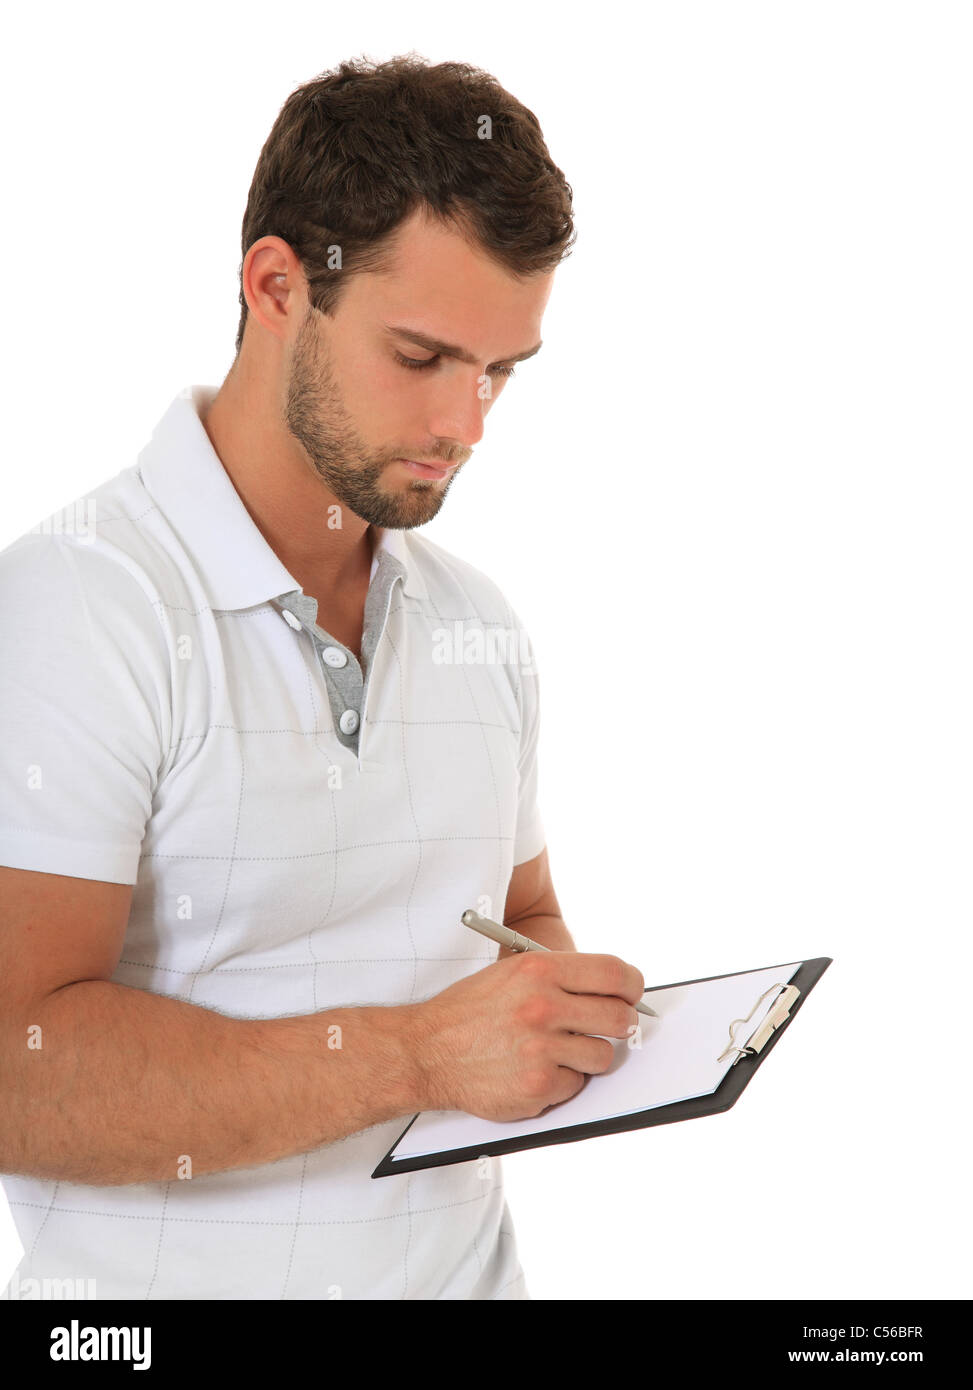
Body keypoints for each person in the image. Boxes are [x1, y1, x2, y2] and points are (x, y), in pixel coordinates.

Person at [0, 54, 644, 1300]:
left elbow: (519, 920)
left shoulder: (479, 625)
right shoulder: (79, 604)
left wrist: (559, 1010)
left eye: (501, 371)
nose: (468, 425)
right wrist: (414, 1056)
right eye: (422, 355)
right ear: (277, 285)